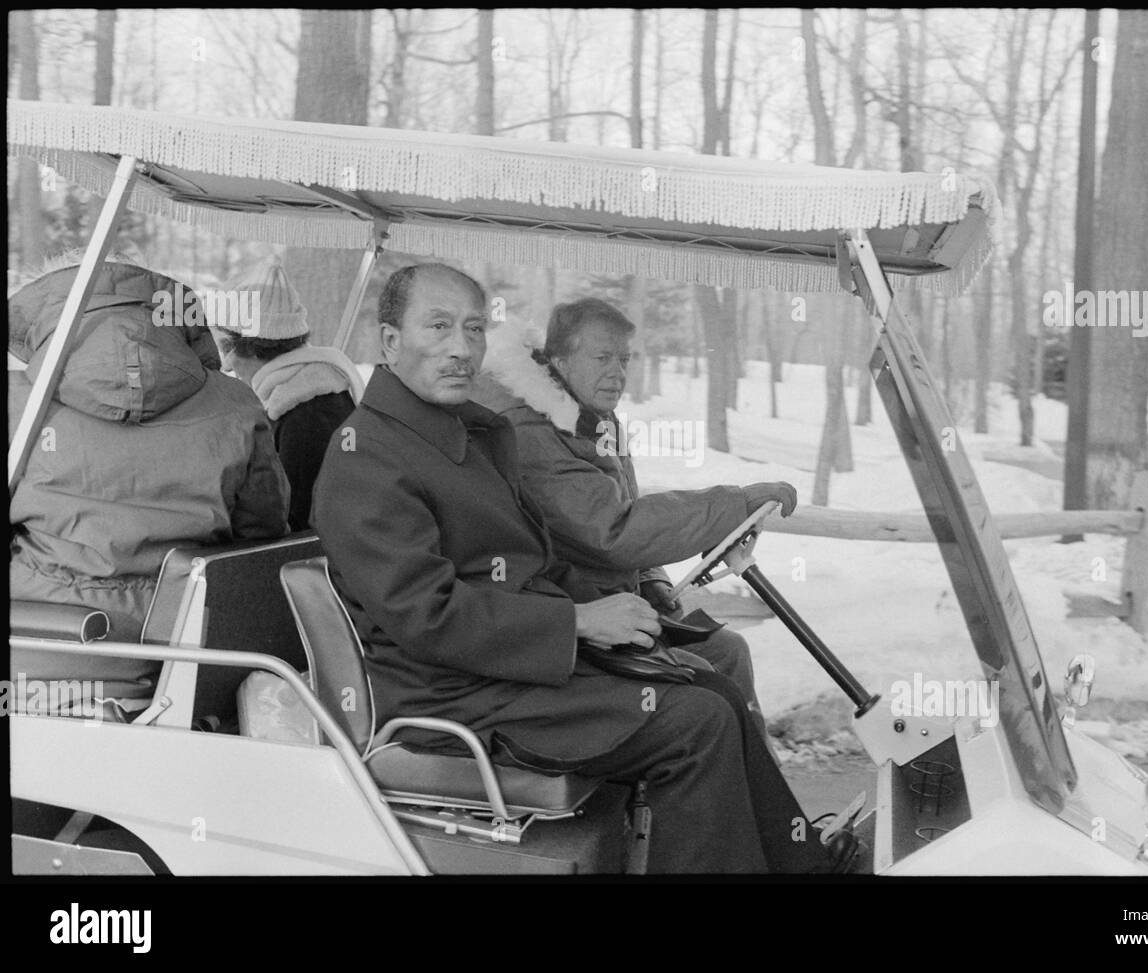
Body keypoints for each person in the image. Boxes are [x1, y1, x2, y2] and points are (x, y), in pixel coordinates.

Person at [311, 263, 838, 874]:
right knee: (696, 723)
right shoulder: (367, 458)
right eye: (439, 326)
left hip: (507, 666)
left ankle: (806, 866)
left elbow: (531, 563)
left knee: (709, 680)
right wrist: (580, 622)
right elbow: (428, 617)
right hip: (451, 692)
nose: (461, 347)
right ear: (390, 341)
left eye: (475, 328)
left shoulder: (469, 436)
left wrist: (629, 604)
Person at [473, 297, 793, 735]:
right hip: (569, 619)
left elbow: (628, 523)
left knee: (729, 649)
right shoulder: (530, 430)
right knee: (706, 683)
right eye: (602, 357)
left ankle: (760, 797)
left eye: (624, 359)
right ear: (560, 360)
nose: (618, 372)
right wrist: (736, 503)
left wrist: (653, 580)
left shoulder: (592, 419)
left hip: (612, 599)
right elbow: (614, 530)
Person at [8, 255, 290, 714]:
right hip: (180, 661)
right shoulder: (237, 404)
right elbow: (260, 538)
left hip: (32, 657)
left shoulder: (19, 402)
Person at [215, 258, 365, 531]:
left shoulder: (306, 413)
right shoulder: (312, 391)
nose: (227, 366)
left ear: (245, 347)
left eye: (226, 348)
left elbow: (296, 516)